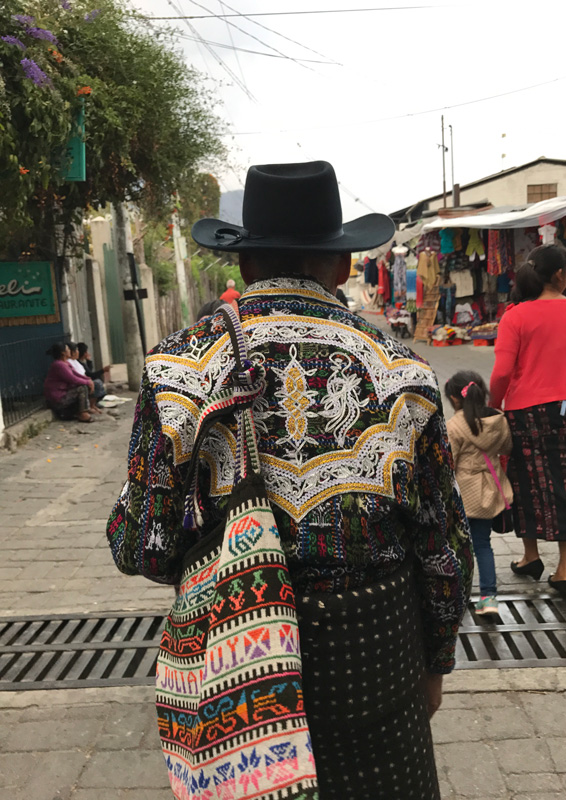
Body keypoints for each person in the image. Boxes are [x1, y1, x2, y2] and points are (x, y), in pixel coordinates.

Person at [107, 160, 473, 800]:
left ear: (244, 264)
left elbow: (141, 546)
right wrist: (434, 663)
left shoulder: (178, 369)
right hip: (377, 661)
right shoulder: (404, 374)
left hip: (238, 673)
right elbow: (444, 550)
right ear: (341, 265)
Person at [490, 244, 566, 599]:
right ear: (560, 275)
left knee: (526, 482)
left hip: (528, 412)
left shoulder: (515, 316)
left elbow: (503, 371)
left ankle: (530, 556)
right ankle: (565, 571)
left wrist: (494, 406)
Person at [446, 371, 513, 617]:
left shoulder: (455, 426)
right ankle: (489, 598)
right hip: (490, 494)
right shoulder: (498, 421)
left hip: (464, 495)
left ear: (454, 399)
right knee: (483, 545)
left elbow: (448, 462)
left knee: (459, 547)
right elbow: (506, 448)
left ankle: (460, 597)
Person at [44, 342, 93, 422]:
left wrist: (88, 379)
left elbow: (76, 374)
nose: (70, 351)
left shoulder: (65, 363)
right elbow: (72, 379)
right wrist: (87, 382)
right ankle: (83, 413)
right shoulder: (59, 365)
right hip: (58, 398)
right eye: (68, 349)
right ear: (63, 353)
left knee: (84, 385)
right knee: (82, 388)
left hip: (64, 393)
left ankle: (83, 410)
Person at [67, 342, 101, 414]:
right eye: (77, 350)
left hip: (81, 381)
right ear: (73, 352)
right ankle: (88, 407)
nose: (78, 352)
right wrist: (88, 381)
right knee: (95, 384)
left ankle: (92, 405)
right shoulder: (68, 363)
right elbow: (75, 376)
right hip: (75, 385)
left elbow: (85, 373)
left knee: (97, 382)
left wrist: (88, 380)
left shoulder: (76, 362)